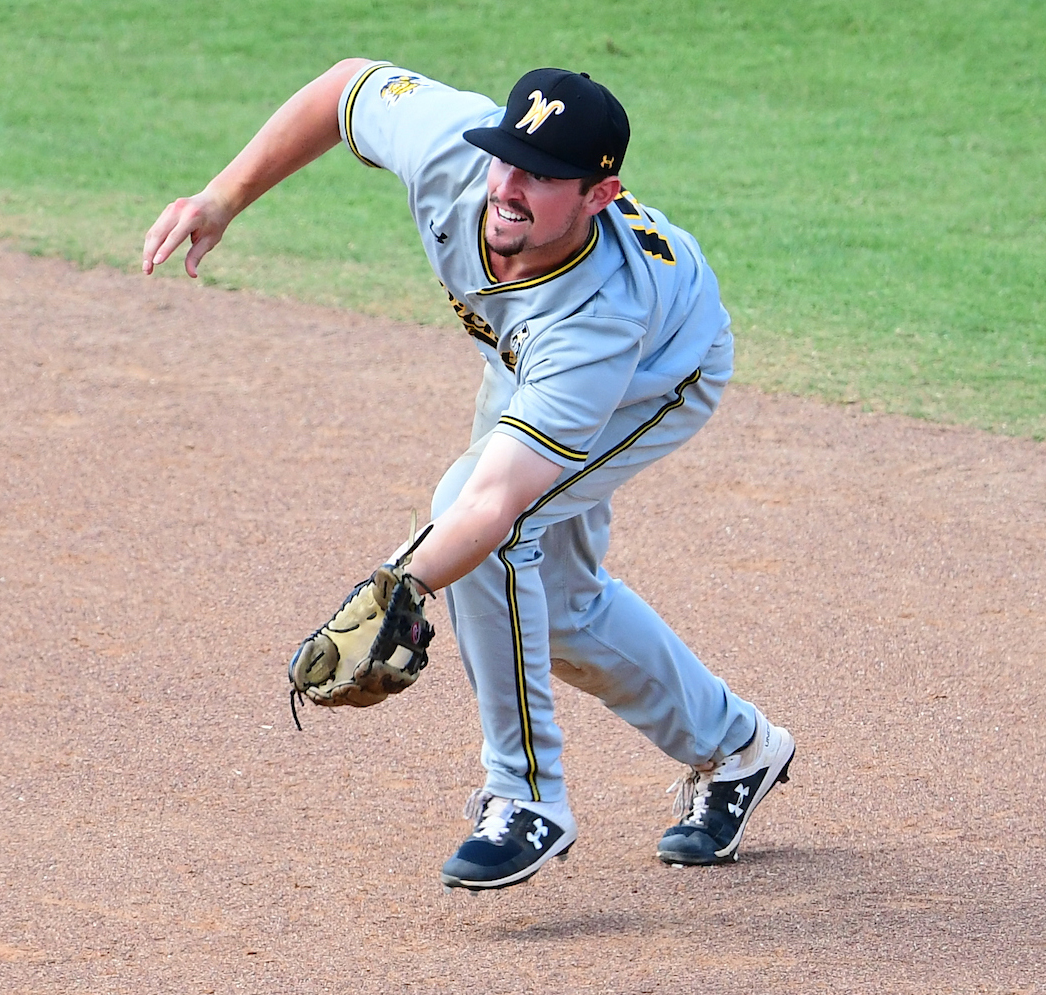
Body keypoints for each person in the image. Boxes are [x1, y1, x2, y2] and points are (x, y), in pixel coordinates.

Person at [142, 59, 795, 891]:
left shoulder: (600, 321)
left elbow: (493, 501)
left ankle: (528, 799)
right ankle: (740, 749)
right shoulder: (457, 156)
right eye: (507, 159)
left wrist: (398, 584)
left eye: (543, 176)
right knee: (553, 607)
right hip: (528, 360)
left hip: (652, 375)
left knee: (485, 530)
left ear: (600, 195)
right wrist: (222, 196)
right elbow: (343, 88)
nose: (509, 188)